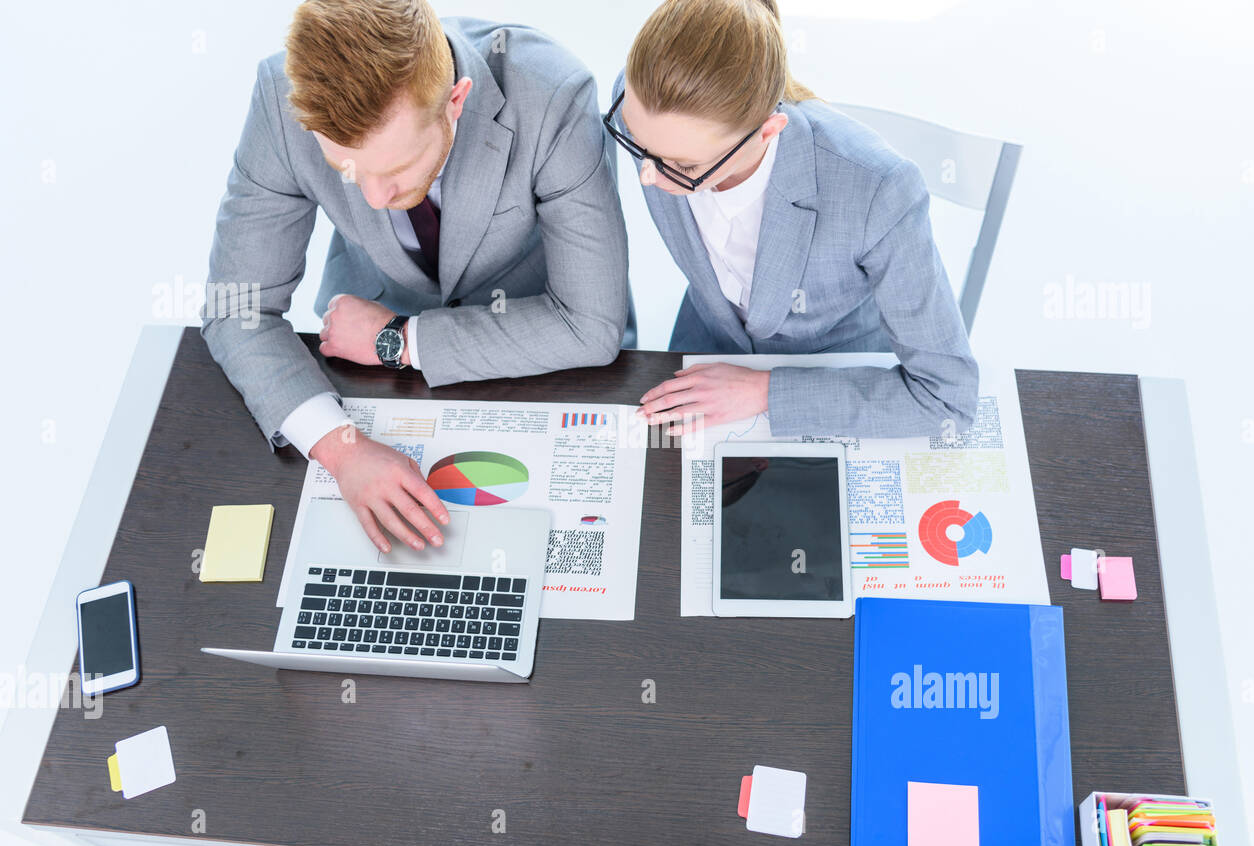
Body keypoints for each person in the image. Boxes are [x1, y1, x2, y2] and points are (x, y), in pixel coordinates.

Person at [201, 0, 630, 554]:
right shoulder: (282, 96)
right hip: (364, 378)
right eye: (347, 172)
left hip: (541, 361)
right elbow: (237, 308)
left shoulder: (552, 95)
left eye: (397, 170)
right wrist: (342, 449)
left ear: (457, 101)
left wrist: (397, 340)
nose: (374, 199)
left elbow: (590, 326)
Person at [608, 0, 979, 439]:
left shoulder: (879, 190)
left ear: (769, 129)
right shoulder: (649, 109)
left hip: (835, 376)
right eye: (636, 144)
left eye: (683, 168)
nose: (648, 177)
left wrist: (766, 390)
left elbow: (948, 399)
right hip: (701, 349)